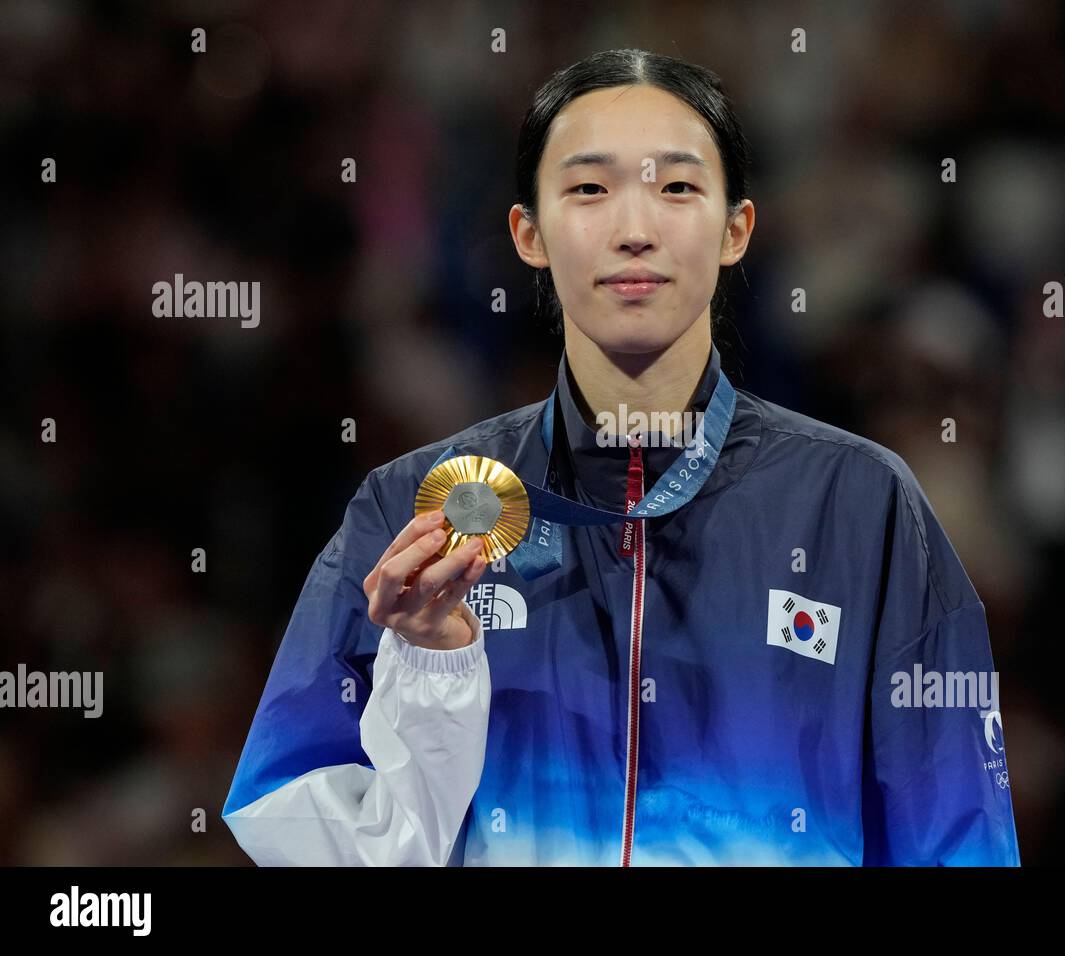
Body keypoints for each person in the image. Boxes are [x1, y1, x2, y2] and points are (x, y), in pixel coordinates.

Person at [221, 48, 1021, 866]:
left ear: (736, 229)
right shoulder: (412, 507)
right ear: (528, 234)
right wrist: (431, 679)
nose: (635, 231)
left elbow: (961, 843)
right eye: (589, 189)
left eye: (677, 187)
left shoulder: (862, 507)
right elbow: (290, 825)